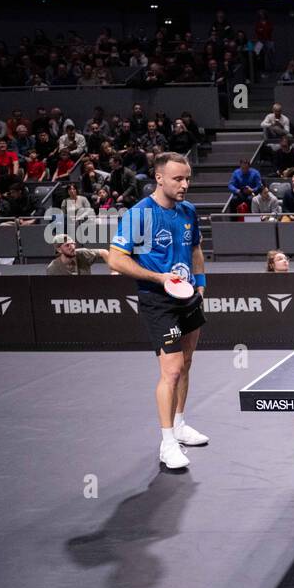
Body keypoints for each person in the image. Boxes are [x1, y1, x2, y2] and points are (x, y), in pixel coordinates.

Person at [106, 152, 209, 471]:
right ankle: (167, 443)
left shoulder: (189, 210)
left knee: (187, 361)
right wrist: (158, 278)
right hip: (157, 299)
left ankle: (180, 425)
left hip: (189, 296)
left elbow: (195, 249)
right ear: (159, 178)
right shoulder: (139, 215)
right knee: (172, 369)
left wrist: (201, 283)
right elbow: (116, 259)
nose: (185, 185)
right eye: (178, 179)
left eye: (188, 178)